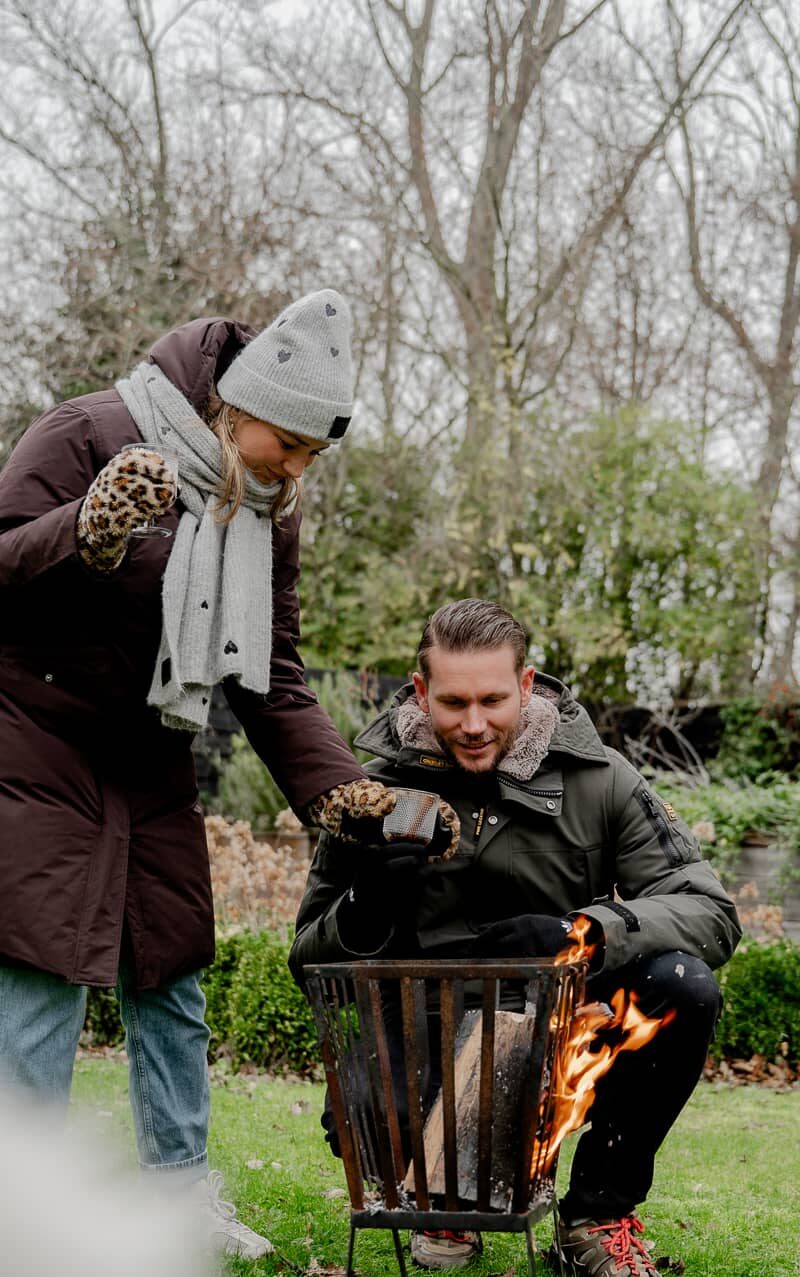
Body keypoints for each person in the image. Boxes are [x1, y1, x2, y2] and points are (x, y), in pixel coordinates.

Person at [0, 289, 446, 1260]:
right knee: (44, 971)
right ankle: (14, 1204)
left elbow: (271, 673)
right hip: (35, 737)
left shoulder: (265, 509)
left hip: (152, 750)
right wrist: (85, 528)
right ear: (240, 405)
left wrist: (345, 792)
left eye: (312, 454)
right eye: (288, 444)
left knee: (172, 967)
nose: (296, 470)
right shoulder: (86, 431)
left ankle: (180, 1195)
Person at [289, 598, 741, 1275]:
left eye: (493, 700)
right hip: (422, 1045)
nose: (474, 725)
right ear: (421, 691)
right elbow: (306, 960)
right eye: (453, 702)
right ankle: (440, 1195)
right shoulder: (372, 793)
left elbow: (710, 910)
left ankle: (594, 1217)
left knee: (683, 985)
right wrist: (362, 907)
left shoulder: (601, 780)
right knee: (367, 1099)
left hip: (559, 1043)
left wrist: (580, 931)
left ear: (526, 686)